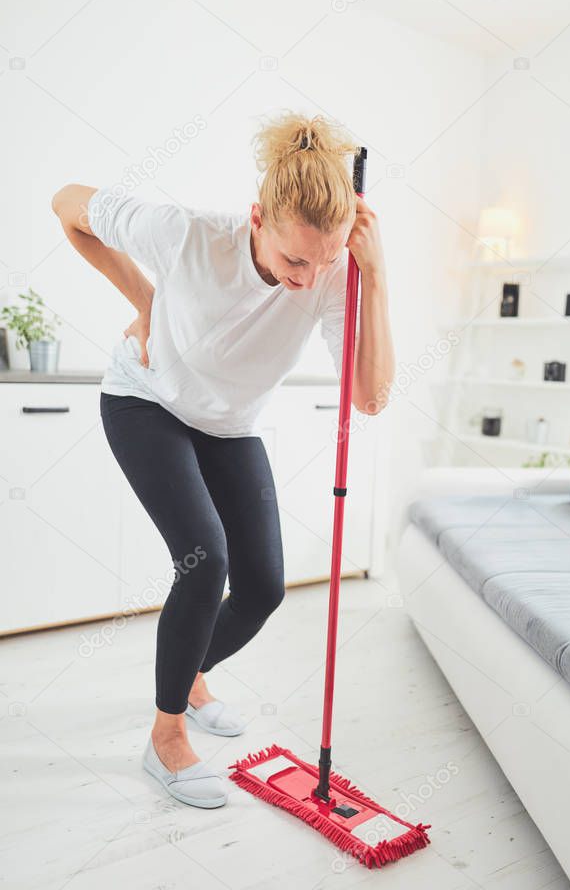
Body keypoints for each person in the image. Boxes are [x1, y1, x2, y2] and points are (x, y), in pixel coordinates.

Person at [51, 111, 395, 808]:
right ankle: (166, 734)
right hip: (146, 399)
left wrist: (373, 275)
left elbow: (371, 396)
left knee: (264, 586)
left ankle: (189, 675)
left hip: (228, 424)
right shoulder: (187, 234)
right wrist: (145, 296)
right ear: (256, 218)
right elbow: (68, 204)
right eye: (296, 259)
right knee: (204, 557)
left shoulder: (332, 277)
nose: (309, 277)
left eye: (324, 259)